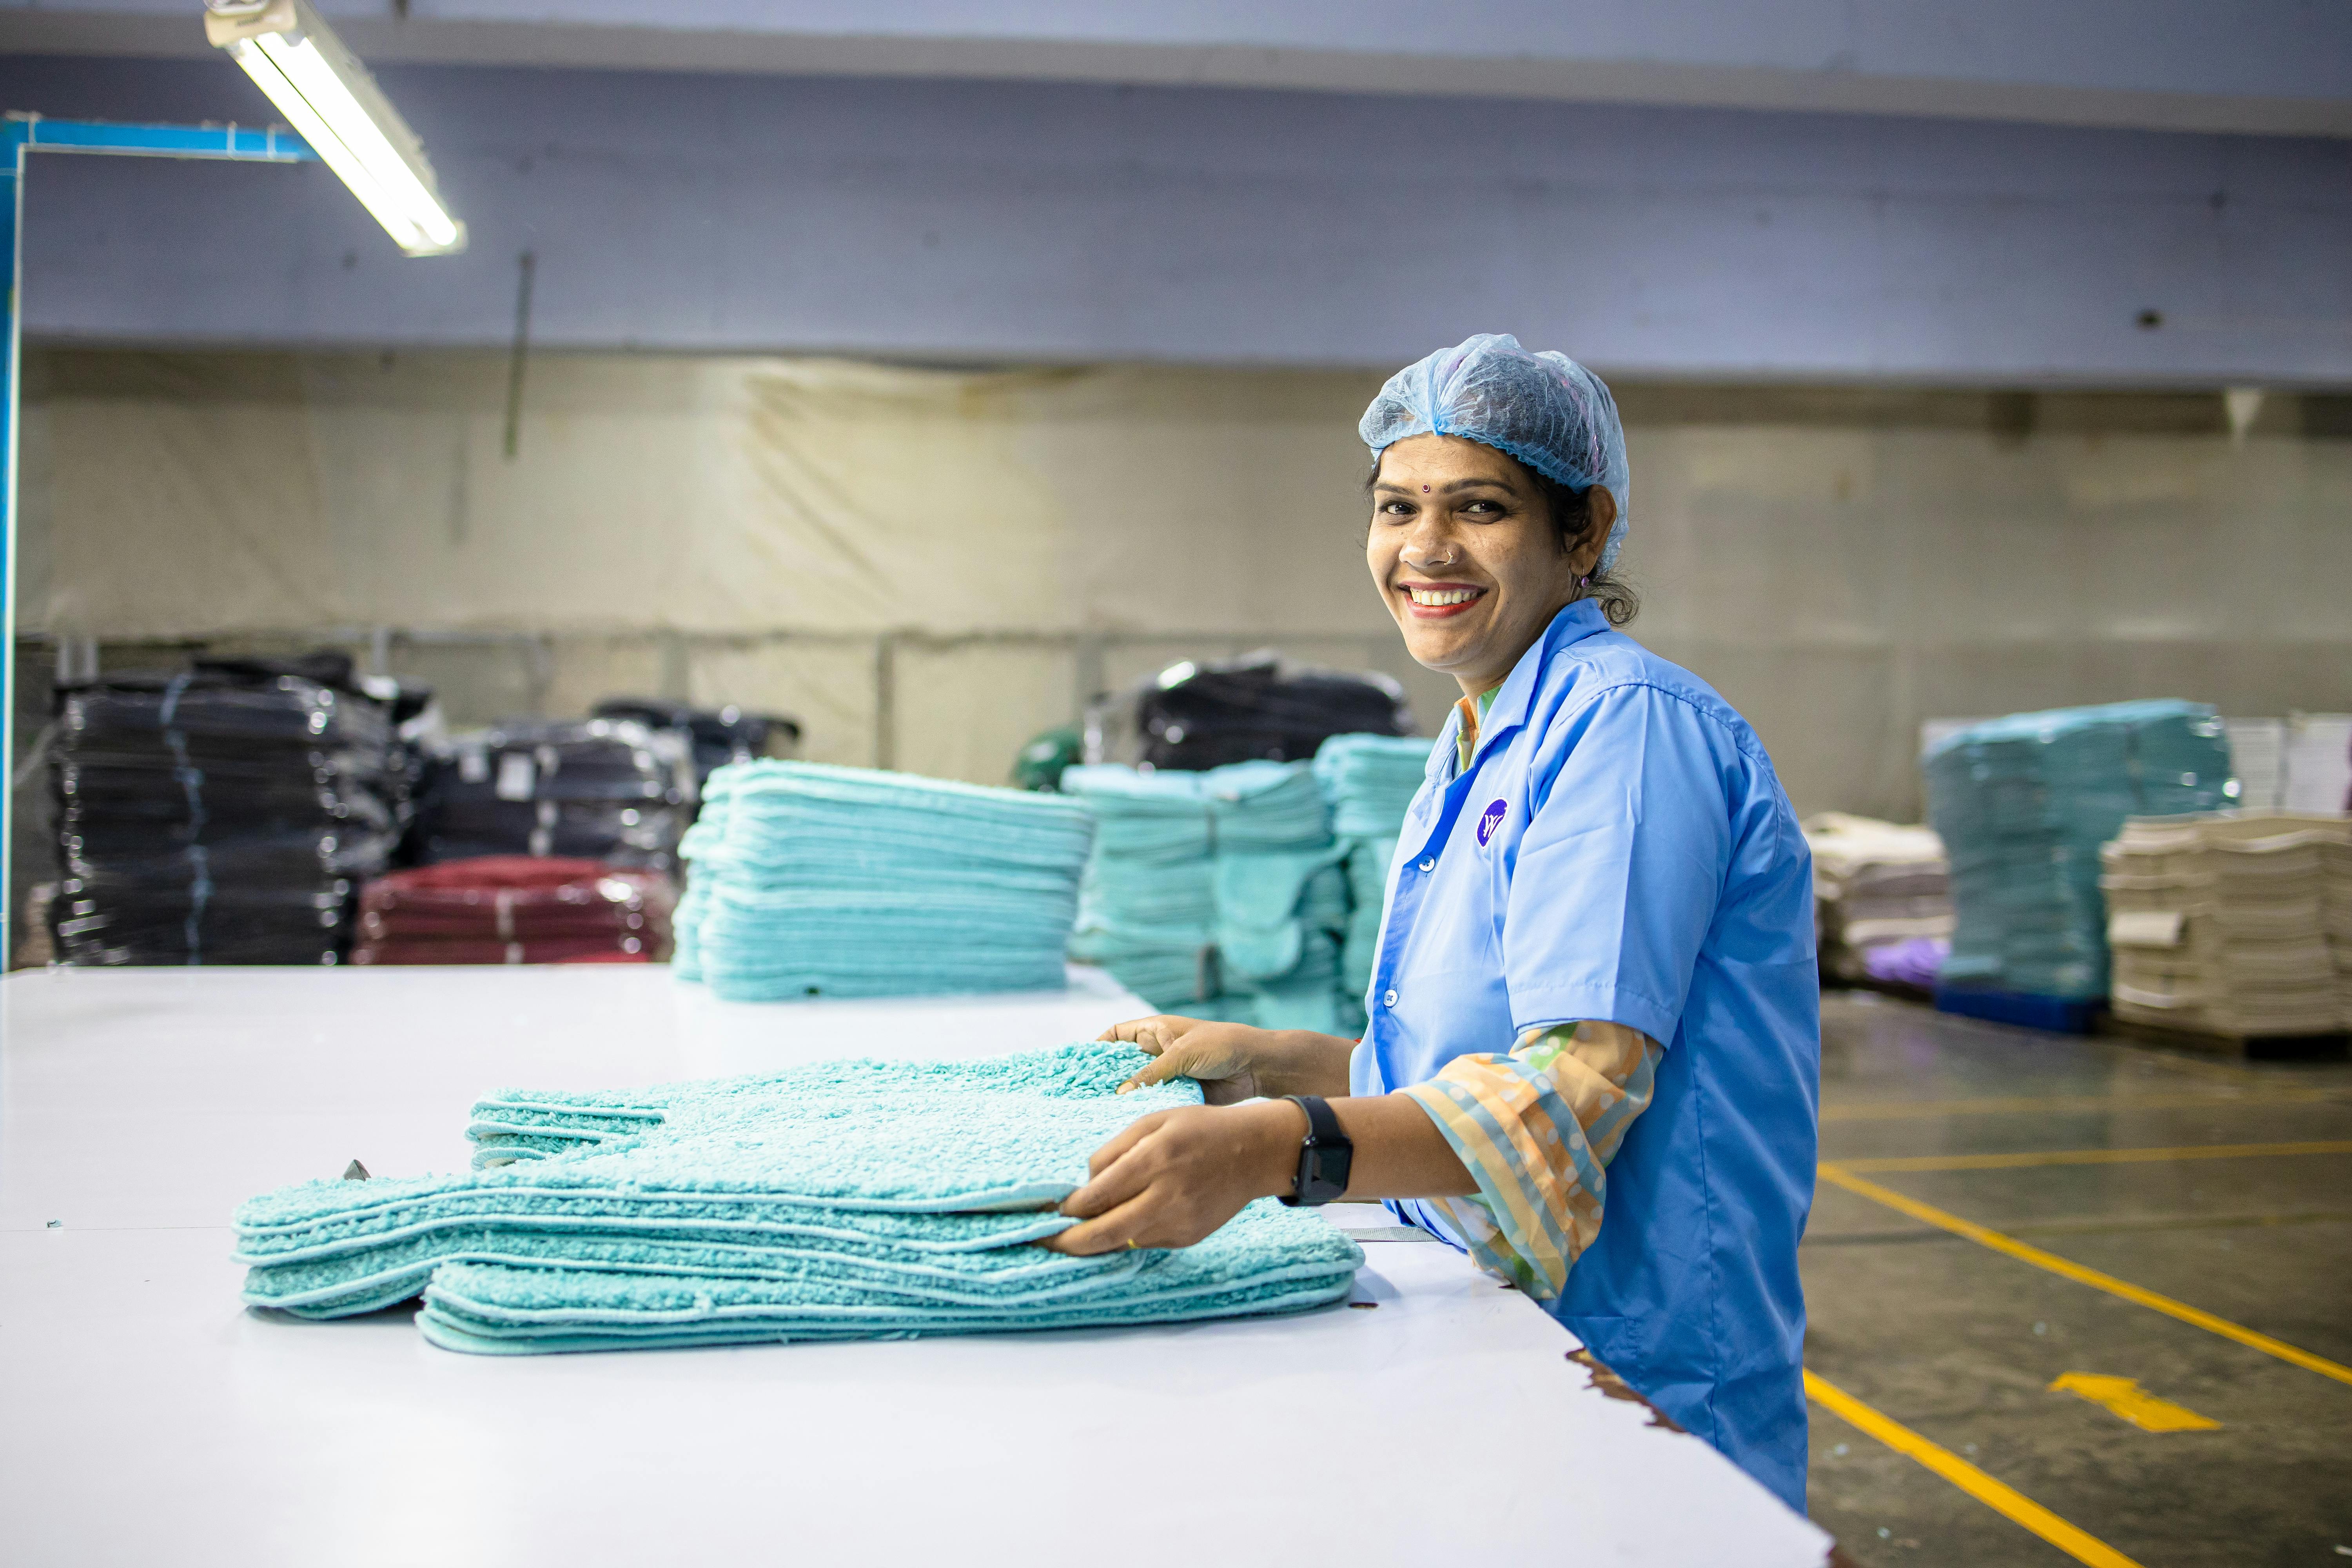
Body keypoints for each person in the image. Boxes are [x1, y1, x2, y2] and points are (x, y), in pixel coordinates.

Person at [1043, 332, 1820, 1510]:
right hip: (1507, 1334)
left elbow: (1568, 1095)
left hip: (1643, 1379)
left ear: (1586, 531)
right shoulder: (1479, 738)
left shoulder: (1626, 730)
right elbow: (1488, 1053)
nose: (1425, 548)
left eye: (1480, 507)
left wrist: (1278, 1147)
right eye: (1396, 506)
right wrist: (1278, 1065)